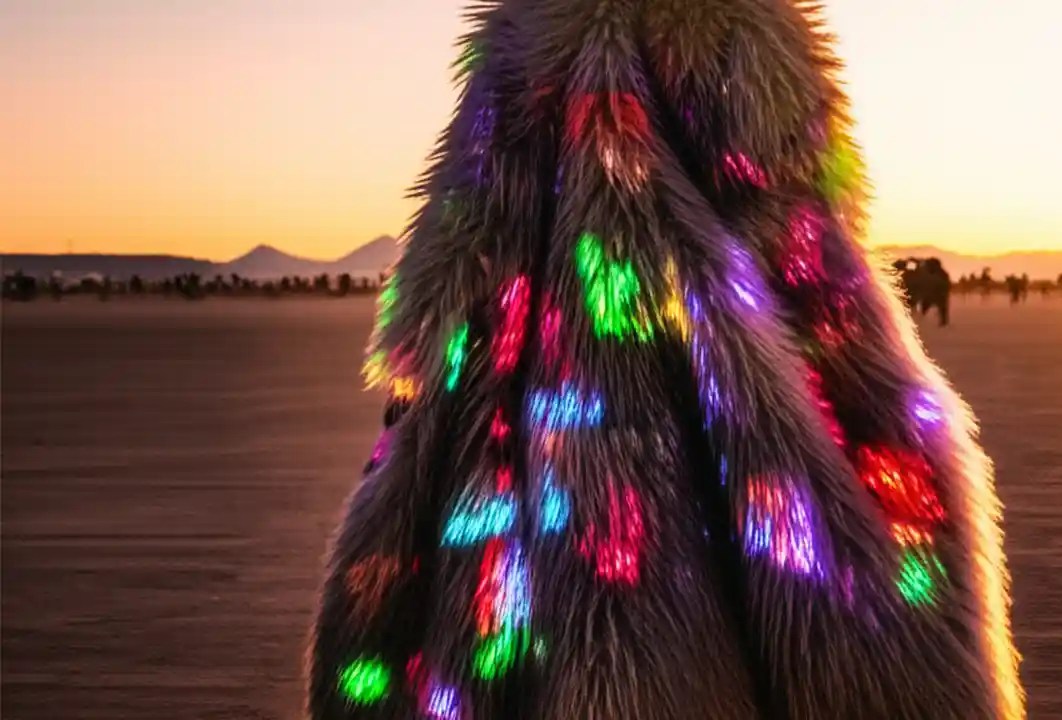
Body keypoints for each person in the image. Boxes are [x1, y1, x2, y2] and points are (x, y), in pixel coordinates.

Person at [307, 2, 1022, 718]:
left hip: (541, 385)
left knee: (547, 608)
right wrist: (842, 366)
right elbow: (795, 212)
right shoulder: (744, 19)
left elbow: (464, 224)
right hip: (716, 362)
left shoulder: (526, 28)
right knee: (792, 589)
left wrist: (418, 360)